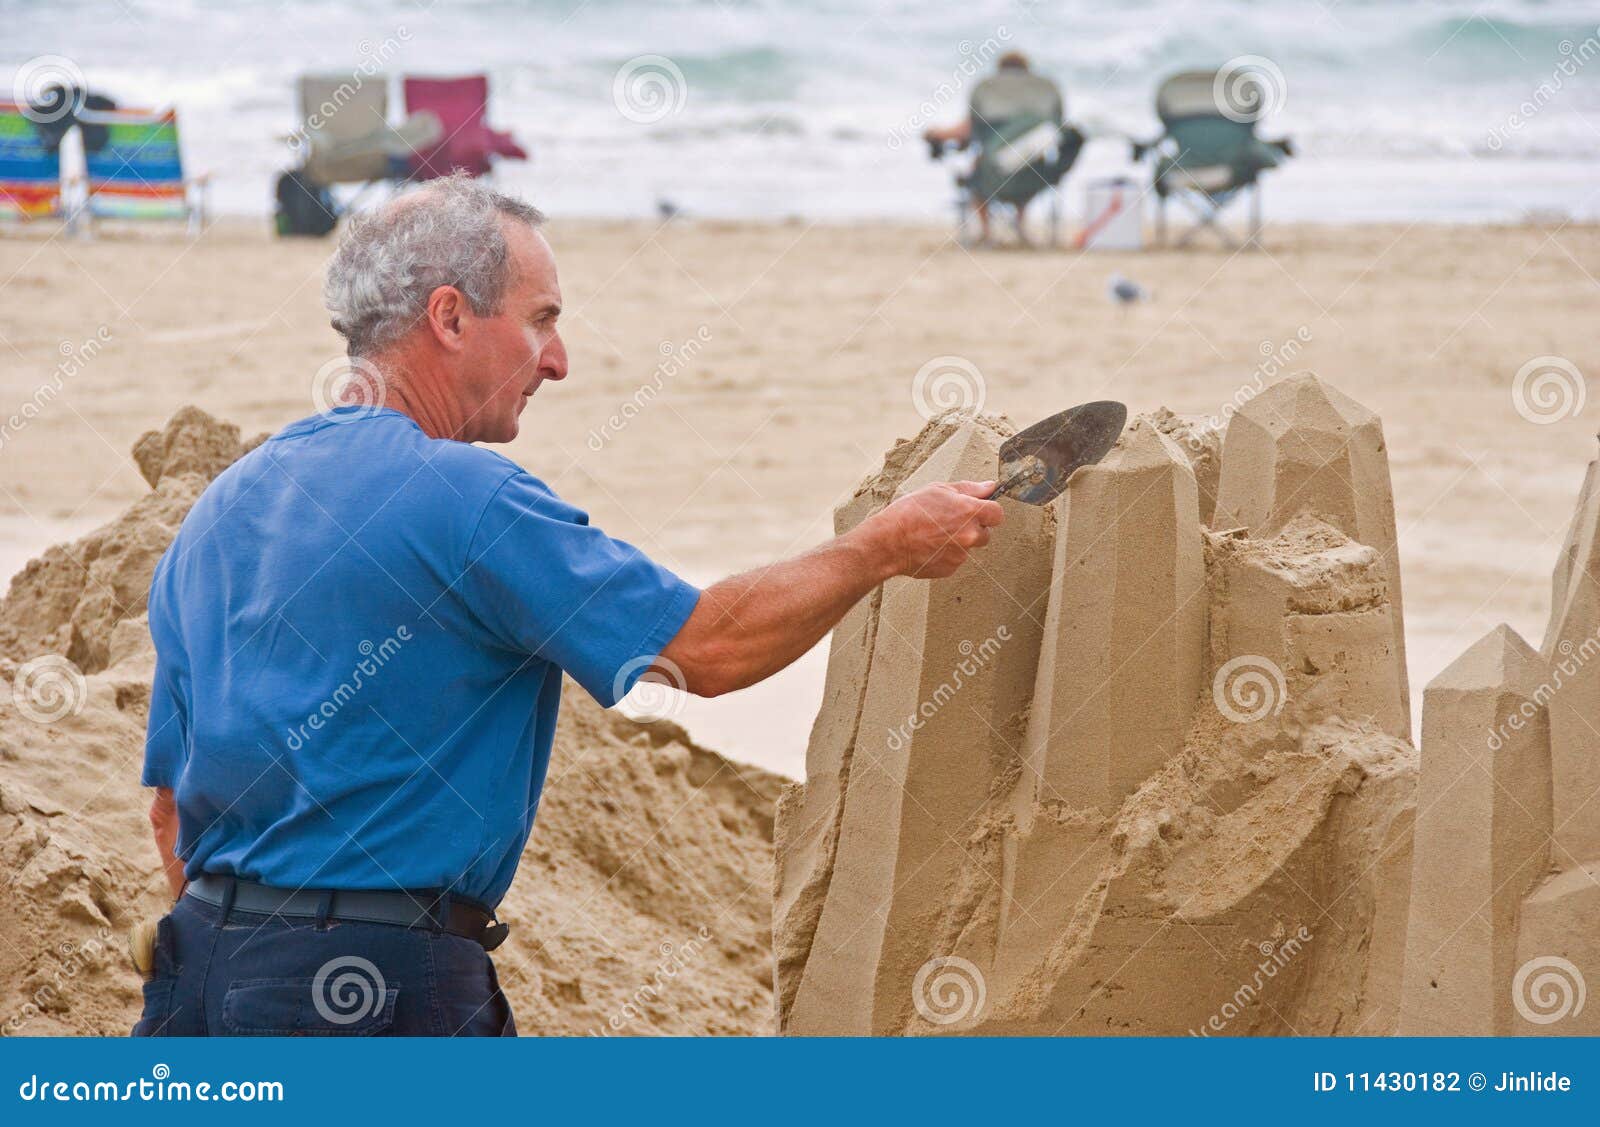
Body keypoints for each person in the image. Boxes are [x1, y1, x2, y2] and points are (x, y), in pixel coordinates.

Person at [135, 174, 1005, 1036]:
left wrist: (243, 963)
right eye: (542, 319)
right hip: (380, 983)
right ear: (450, 318)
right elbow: (708, 649)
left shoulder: (217, 513)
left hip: (197, 973)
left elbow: (168, 811)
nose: (557, 359)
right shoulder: (467, 497)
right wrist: (882, 547)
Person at [923, 51, 1065, 244]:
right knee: (1025, 162)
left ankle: (986, 231)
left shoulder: (987, 89)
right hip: (1034, 173)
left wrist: (934, 134)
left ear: (1000, 68)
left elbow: (966, 130)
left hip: (991, 170)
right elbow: (1058, 129)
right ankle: (1020, 224)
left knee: (979, 169)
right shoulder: (1045, 90)